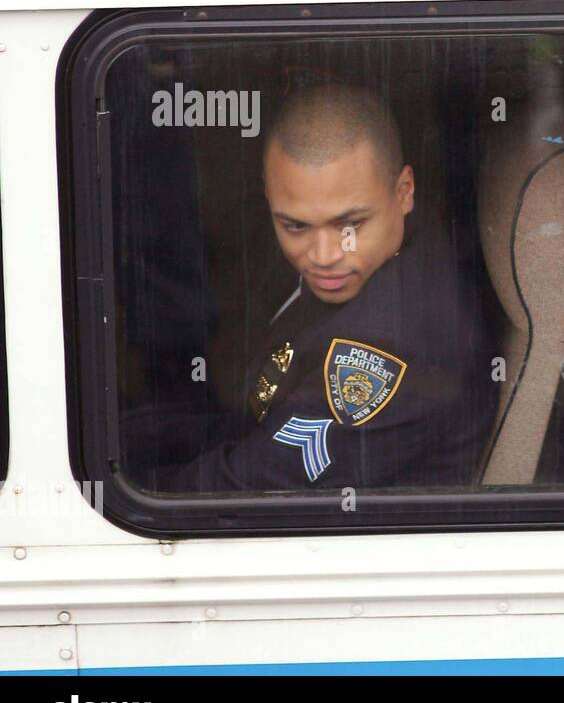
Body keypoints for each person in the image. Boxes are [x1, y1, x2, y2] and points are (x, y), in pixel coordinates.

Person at [156, 84, 498, 491]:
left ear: (404, 191)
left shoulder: (391, 348)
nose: (323, 255)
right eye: (295, 225)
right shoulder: (391, 242)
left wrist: (141, 487)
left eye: (350, 224)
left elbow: (248, 488)